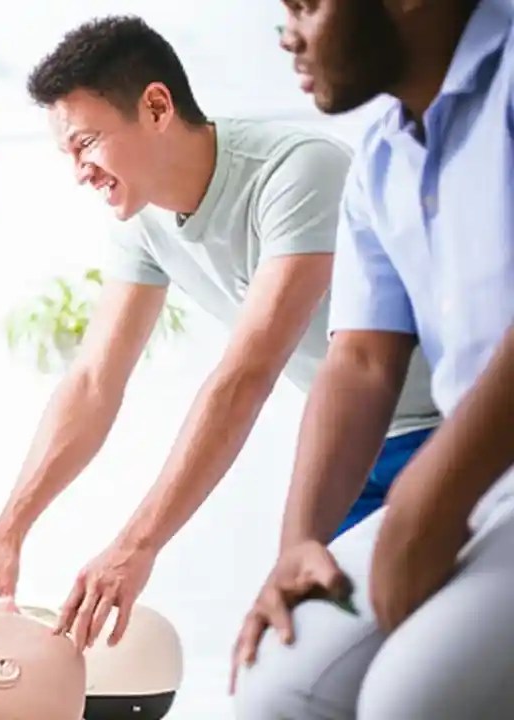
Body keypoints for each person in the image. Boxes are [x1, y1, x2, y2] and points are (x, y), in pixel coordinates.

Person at [0, 14, 441, 652]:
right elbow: (94, 381)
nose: (79, 171)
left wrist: (136, 545)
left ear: (156, 106)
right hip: (355, 453)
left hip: (448, 431)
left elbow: (245, 376)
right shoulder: (143, 221)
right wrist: (7, 532)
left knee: (414, 664)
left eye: (87, 143)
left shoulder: (297, 173)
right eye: (67, 154)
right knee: (317, 664)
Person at [232, 0, 514, 717]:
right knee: (276, 688)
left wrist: (431, 495)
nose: (287, 34)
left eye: (306, 6)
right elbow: (359, 360)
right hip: (483, 490)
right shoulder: (381, 156)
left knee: (413, 699)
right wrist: (299, 544)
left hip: (478, 475)